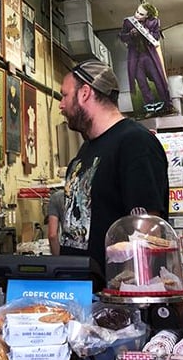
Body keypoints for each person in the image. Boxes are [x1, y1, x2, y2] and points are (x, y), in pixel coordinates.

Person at [58, 58, 169, 274]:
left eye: (64, 95)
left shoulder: (135, 143)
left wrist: (127, 288)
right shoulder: (87, 149)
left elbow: (148, 231)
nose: (61, 105)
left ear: (84, 93)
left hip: (116, 296)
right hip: (81, 291)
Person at [119, 1, 173, 117]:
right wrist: (130, 35)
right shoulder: (128, 22)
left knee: (157, 78)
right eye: (137, 12)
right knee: (141, 82)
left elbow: (156, 37)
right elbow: (122, 37)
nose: (137, 15)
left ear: (147, 16)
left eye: (141, 14)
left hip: (148, 55)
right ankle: (150, 107)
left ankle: (166, 104)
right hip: (135, 57)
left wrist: (148, 32)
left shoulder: (154, 22)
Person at [46, 189, 64, 256]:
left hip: (68, 254)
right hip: (94, 256)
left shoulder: (57, 197)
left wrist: (57, 260)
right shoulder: (96, 194)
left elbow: (52, 235)